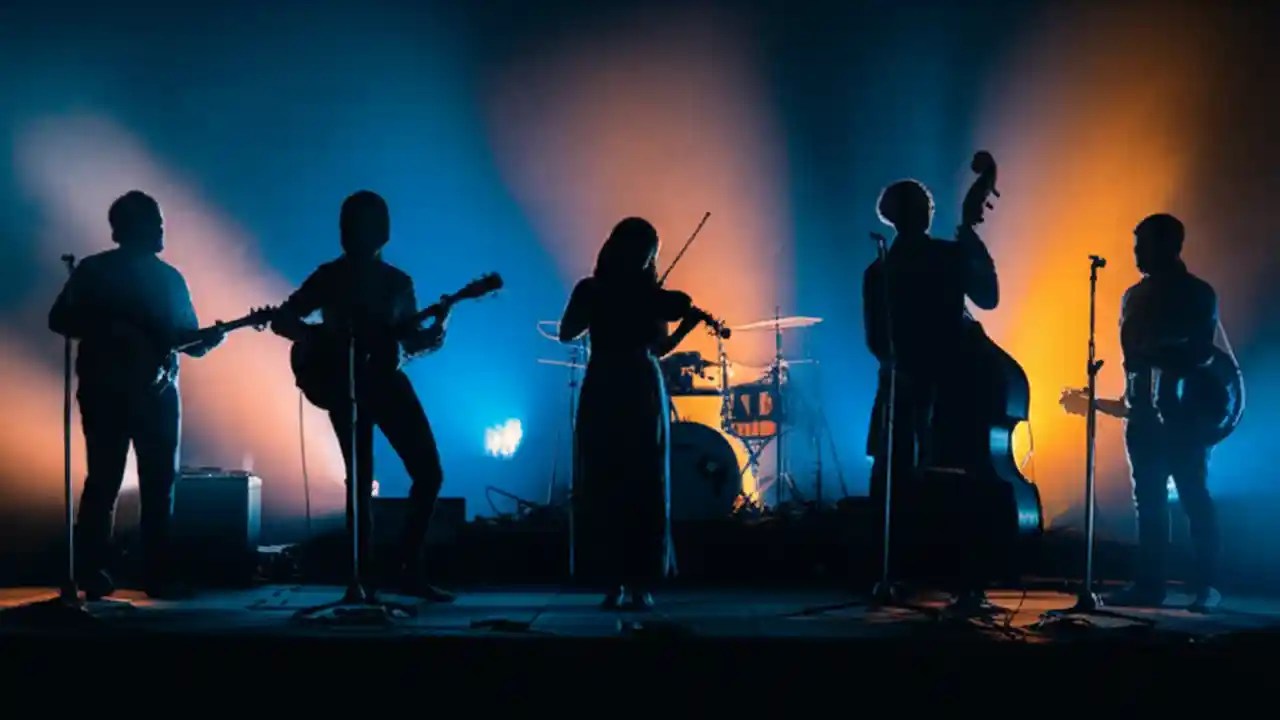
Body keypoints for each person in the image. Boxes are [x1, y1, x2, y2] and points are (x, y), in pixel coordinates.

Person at [271, 190, 453, 602]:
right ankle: (371, 578)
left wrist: (439, 327)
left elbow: (409, 341)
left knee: (423, 473)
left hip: (381, 381)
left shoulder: (395, 282)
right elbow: (285, 317)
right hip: (347, 385)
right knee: (364, 480)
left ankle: (398, 571)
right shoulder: (330, 277)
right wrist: (317, 339)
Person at [48, 190, 226, 600]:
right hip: (136, 393)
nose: (162, 228)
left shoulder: (121, 273)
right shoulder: (124, 274)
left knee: (117, 482)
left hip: (124, 391)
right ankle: (136, 573)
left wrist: (207, 339)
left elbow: (186, 340)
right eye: (155, 221)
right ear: (133, 227)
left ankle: (101, 571)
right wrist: (119, 325)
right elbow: (60, 319)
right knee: (138, 485)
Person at [558, 217, 709, 610]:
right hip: (610, 382)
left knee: (644, 482)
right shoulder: (594, 289)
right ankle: (612, 580)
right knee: (605, 478)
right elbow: (566, 331)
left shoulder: (648, 295)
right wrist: (611, 303)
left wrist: (684, 329)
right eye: (640, 249)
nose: (645, 258)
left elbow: (658, 349)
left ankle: (640, 581)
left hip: (639, 384)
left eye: (650, 252)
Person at [861, 179, 999, 602]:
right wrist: (971, 241)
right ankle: (964, 578)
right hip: (949, 382)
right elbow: (989, 297)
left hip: (903, 382)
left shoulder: (879, 270)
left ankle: (895, 569)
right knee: (959, 476)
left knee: (894, 476)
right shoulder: (942, 257)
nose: (927, 212)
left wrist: (900, 365)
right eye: (923, 206)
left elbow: (875, 340)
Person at [1106, 213, 1221, 611]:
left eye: (1143, 245)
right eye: (1136, 245)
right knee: (1150, 500)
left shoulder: (1197, 293)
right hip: (1143, 414)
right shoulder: (1133, 295)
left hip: (1183, 413)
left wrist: (1162, 358)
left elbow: (1201, 351)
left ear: (1170, 246)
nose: (1136, 253)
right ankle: (1150, 584)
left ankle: (1207, 584)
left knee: (1192, 495)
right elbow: (1131, 358)